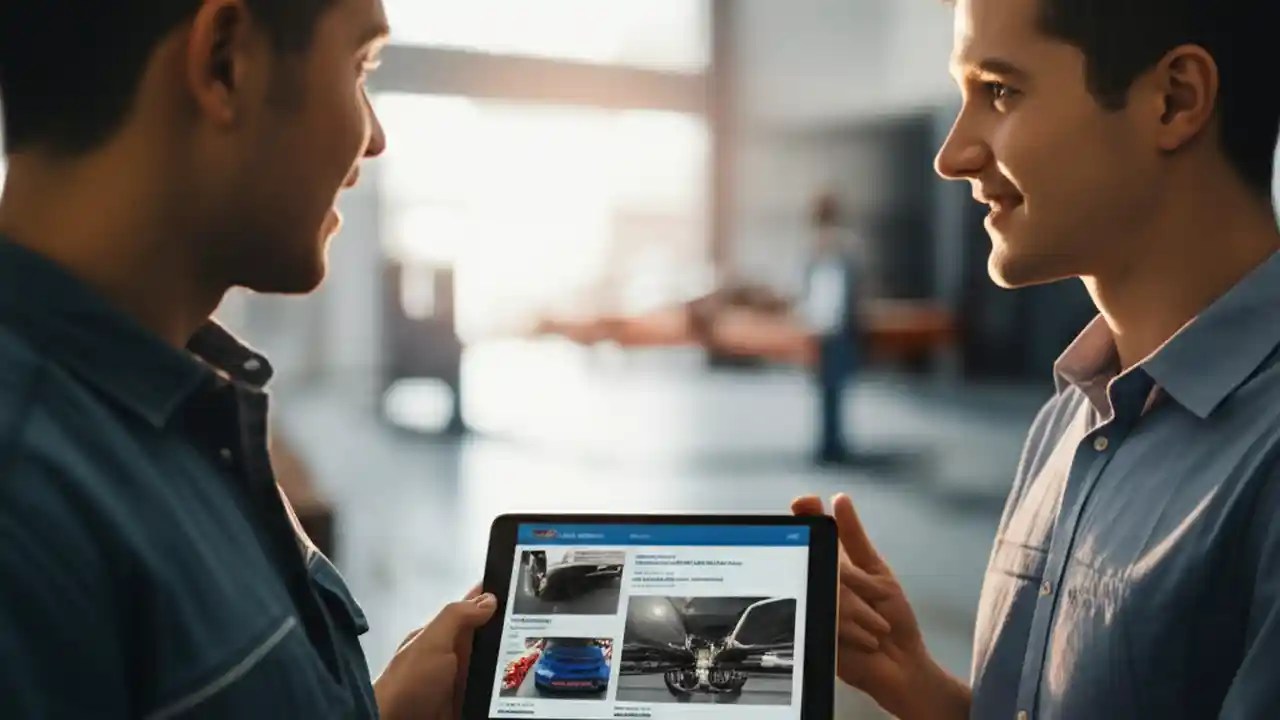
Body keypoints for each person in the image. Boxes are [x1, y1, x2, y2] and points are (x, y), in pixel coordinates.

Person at [0, 1, 494, 718]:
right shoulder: (24, 509)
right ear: (226, 64)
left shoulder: (167, 408)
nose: (375, 137)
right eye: (359, 67)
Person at [795, 0, 1280, 717]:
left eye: (999, 90)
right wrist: (918, 686)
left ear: (1174, 99)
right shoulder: (1069, 421)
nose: (952, 155)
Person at [798, 192, 870, 465]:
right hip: (823, 327)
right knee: (827, 390)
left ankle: (833, 444)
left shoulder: (842, 248)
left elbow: (853, 291)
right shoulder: (815, 249)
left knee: (834, 388)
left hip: (836, 327)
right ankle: (828, 444)